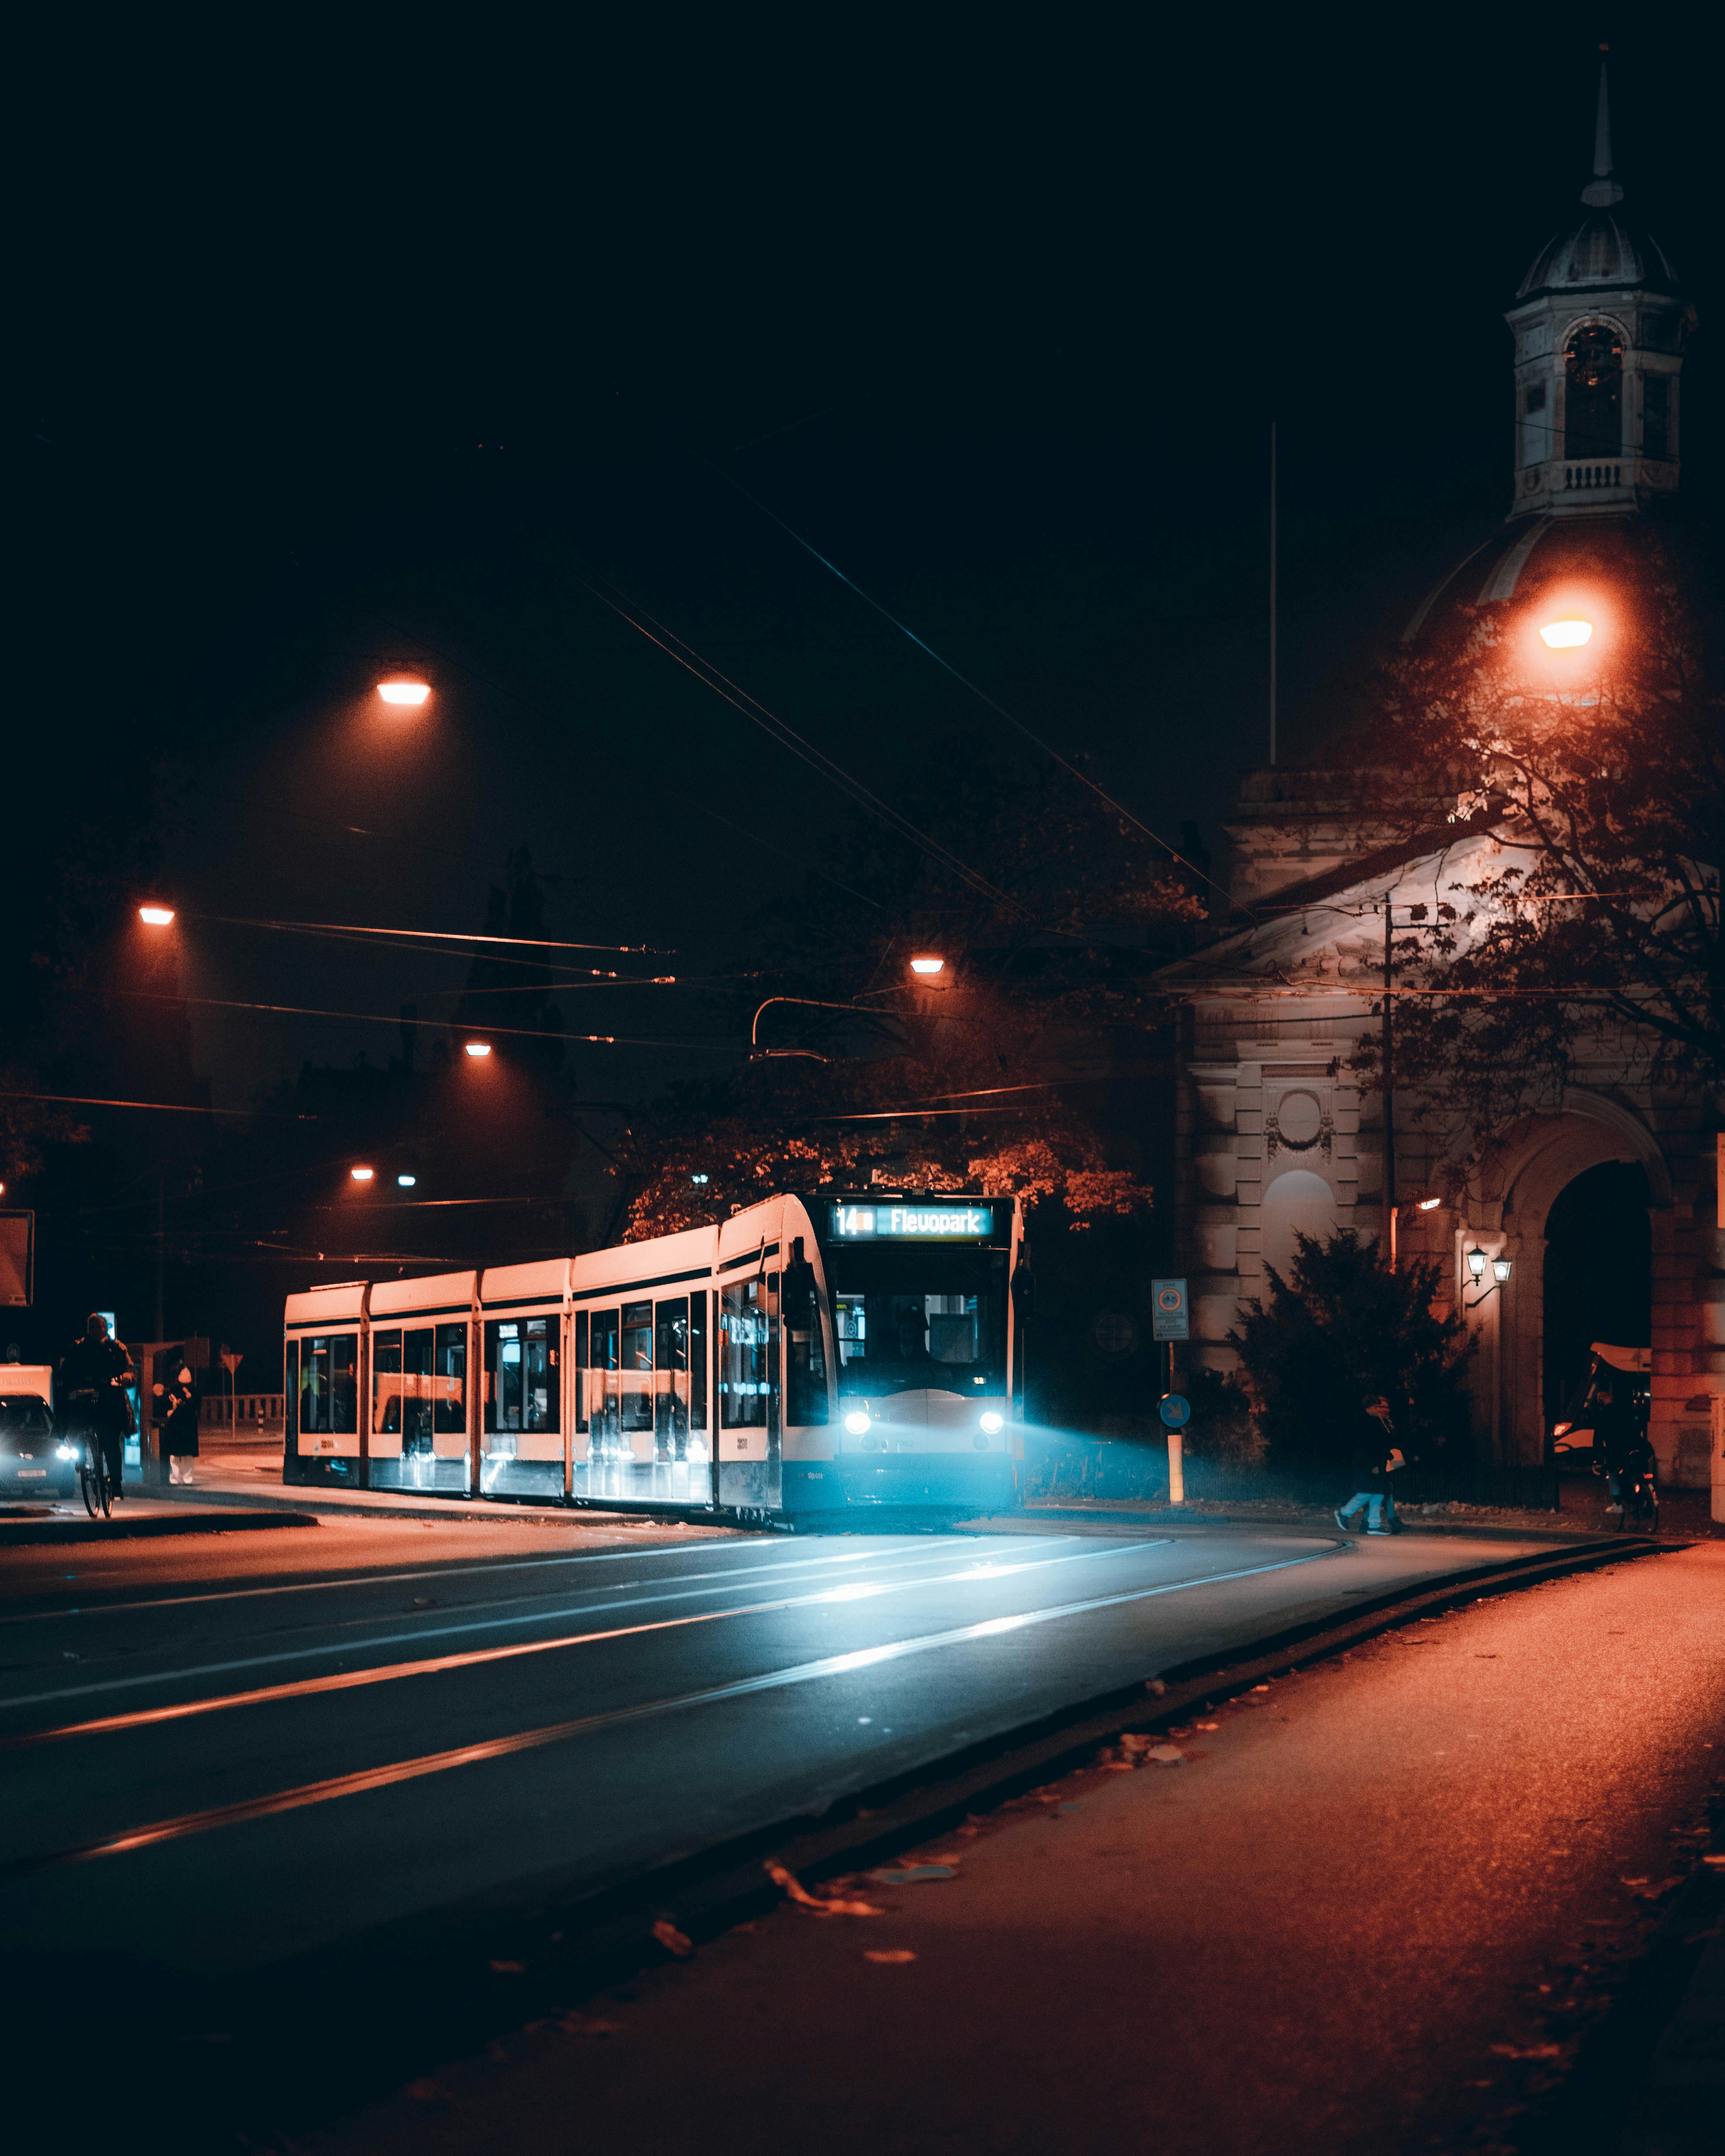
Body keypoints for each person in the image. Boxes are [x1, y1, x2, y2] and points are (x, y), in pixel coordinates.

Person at [60, 1313, 136, 1501]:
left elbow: (131, 1373)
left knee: (110, 1441)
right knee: (74, 1425)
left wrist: (123, 1379)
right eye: (91, 1328)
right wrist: (69, 1387)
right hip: (84, 1398)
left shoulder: (117, 1348)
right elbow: (66, 1372)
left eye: (97, 1328)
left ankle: (116, 1485)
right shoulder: (78, 1348)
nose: (94, 1332)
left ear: (105, 1329)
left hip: (109, 1401)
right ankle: (80, 1459)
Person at [1334, 1397, 1406, 1535]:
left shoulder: (1377, 1421)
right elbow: (1366, 1447)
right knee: (1367, 1492)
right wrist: (1373, 1464)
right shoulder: (1366, 1422)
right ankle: (1344, 1513)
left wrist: (1389, 1456)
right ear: (1370, 1408)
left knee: (1378, 1494)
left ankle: (1373, 1525)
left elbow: (1381, 1443)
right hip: (1369, 1465)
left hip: (1378, 1463)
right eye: (1377, 1407)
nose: (1380, 1409)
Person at [1592, 1373, 1654, 1514]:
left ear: (1607, 1398)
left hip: (1618, 1452)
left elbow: (1598, 1439)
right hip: (1640, 1448)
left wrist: (1598, 1460)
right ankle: (1648, 1496)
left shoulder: (1603, 1415)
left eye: (1601, 1398)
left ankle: (1619, 1505)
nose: (1599, 1401)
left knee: (1614, 1476)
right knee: (1639, 1472)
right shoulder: (1627, 1409)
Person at [158, 1362, 200, 1484]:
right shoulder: (193, 1391)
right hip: (188, 1425)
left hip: (177, 1425)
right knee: (187, 1455)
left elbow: (165, 1405)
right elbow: (197, 1407)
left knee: (176, 1455)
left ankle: (175, 1479)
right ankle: (186, 1479)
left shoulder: (175, 1390)